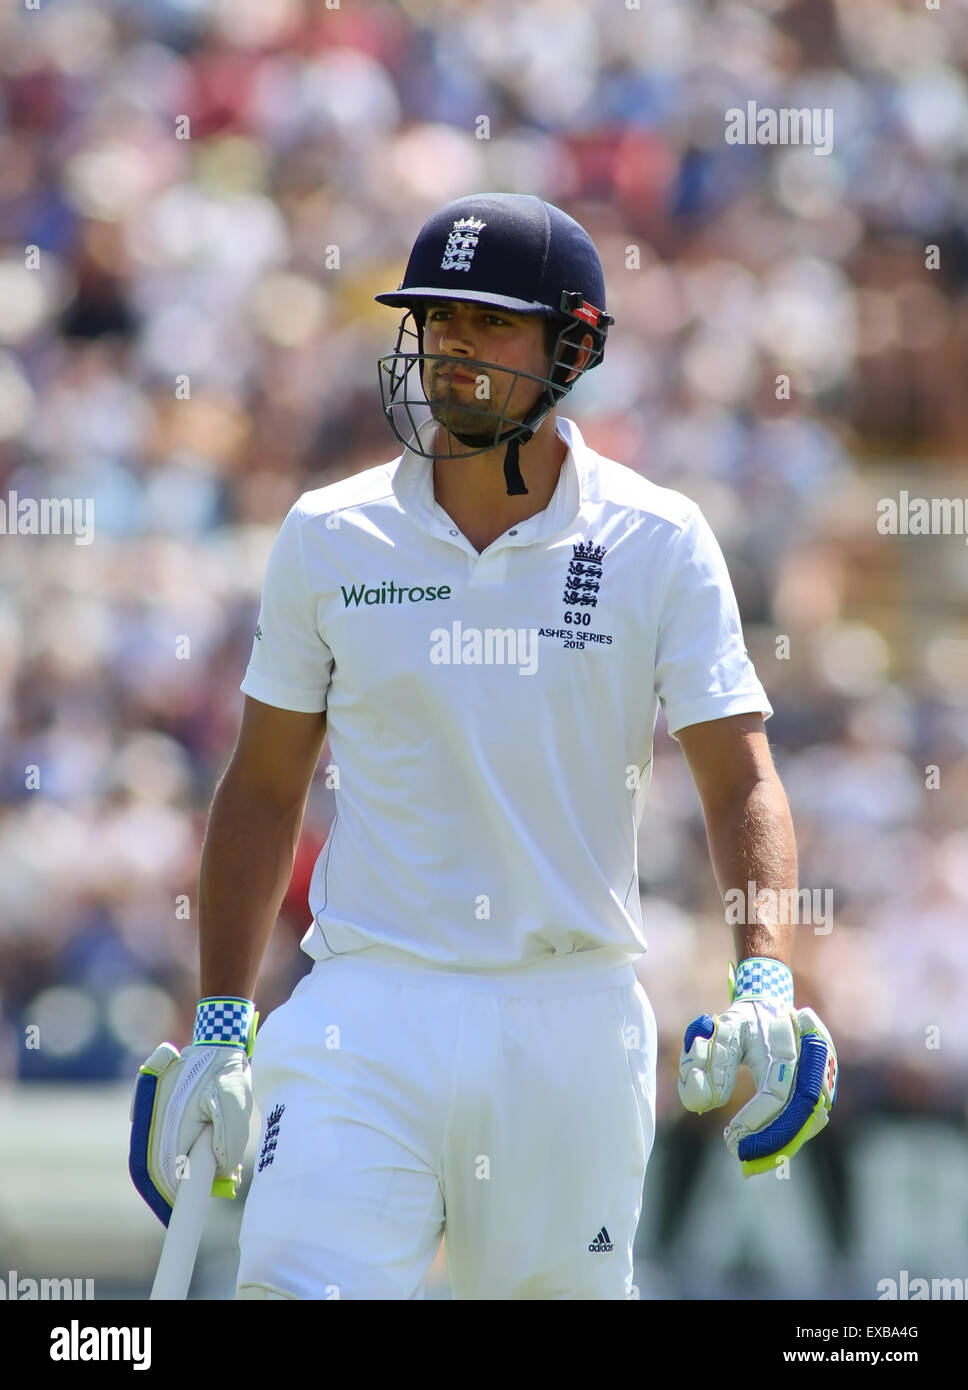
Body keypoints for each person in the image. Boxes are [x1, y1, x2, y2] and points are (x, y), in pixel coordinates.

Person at [129, 193, 837, 1301]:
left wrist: (761, 975)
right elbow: (263, 788)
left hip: (568, 1017)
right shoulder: (328, 532)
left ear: (574, 347)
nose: (451, 350)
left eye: (488, 324)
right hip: (363, 1003)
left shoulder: (657, 539)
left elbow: (738, 775)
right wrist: (224, 1023)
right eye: (436, 322)